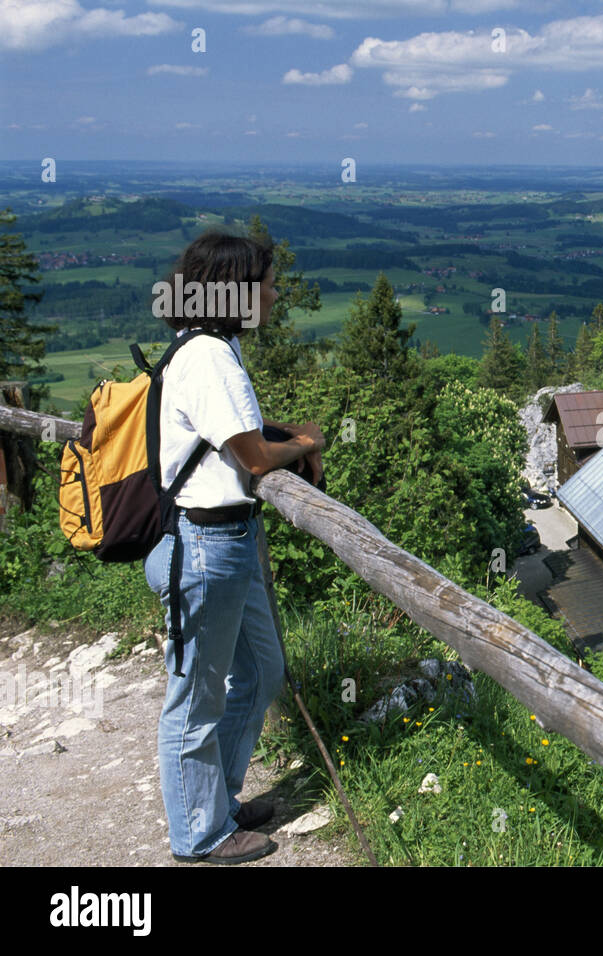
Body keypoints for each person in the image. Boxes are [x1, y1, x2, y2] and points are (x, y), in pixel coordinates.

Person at [146, 231, 325, 865]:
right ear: (236, 291)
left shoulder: (213, 348)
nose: (275, 293)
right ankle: (200, 834)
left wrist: (286, 436)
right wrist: (305, 444)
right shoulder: (209, 358)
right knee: (195, 697)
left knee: (260, 669)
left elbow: (236, 433)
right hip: (206, 544)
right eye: (268, 283)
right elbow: (250, 456)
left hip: (227, 540)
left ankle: (215, 800)